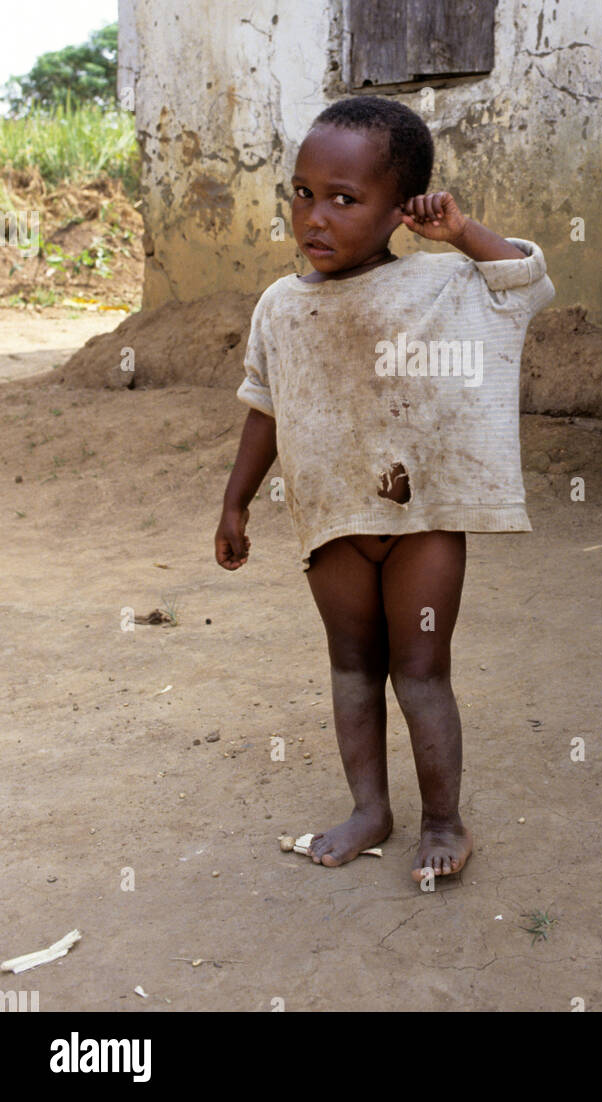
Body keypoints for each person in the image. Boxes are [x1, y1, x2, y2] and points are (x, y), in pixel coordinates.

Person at [215, 96, 555, 883]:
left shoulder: (444, 284)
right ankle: (371, 807)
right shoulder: (281, 306)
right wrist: (235, 501)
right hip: (332, 518)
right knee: (351, 667)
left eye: (344, 198)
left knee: (422, 669)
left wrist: (460, 231)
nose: (316, 216)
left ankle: (444, 819)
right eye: (303, 192)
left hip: (423, 520)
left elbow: (523, 283)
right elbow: (265, 405)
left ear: (399, 208)